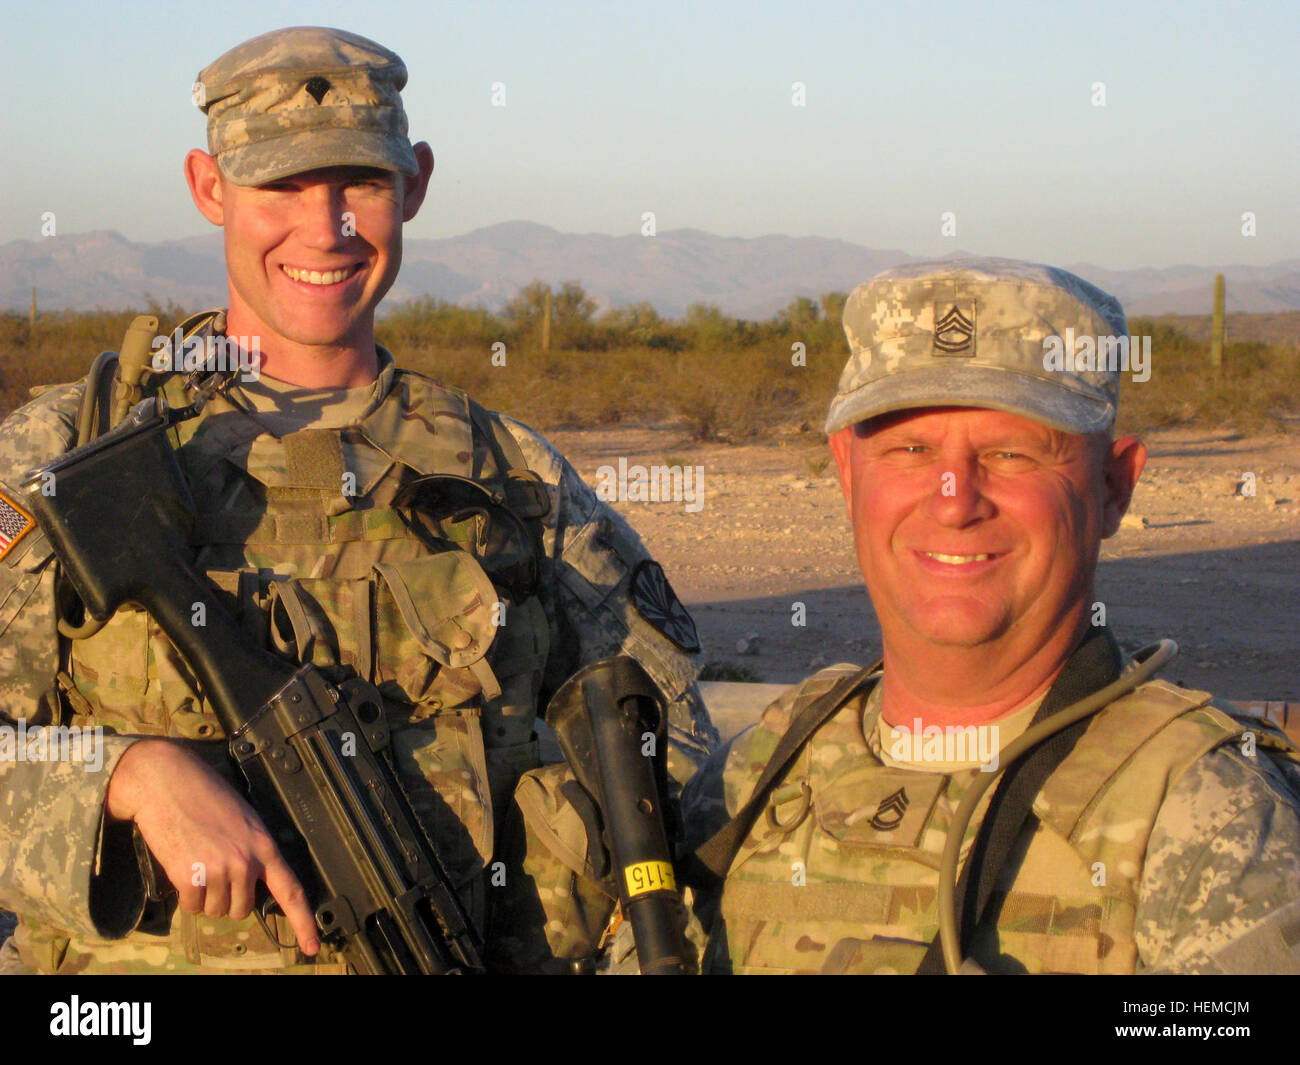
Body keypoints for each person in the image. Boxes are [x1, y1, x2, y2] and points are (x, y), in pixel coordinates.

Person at [0, 26, 715, 974]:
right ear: (209, 187)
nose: (325, 225)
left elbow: (671, 759)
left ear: (414, 183)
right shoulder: (68, 451)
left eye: (361, 184)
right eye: (282, 185)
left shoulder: (511, 478)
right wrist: (123, 776)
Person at [680, 257, 1300, 974]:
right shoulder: (755, 778)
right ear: (848, 476)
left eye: (1012, 453)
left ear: (1112, 487)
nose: (954, 499)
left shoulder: (1213, 822)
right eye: (910, 450)